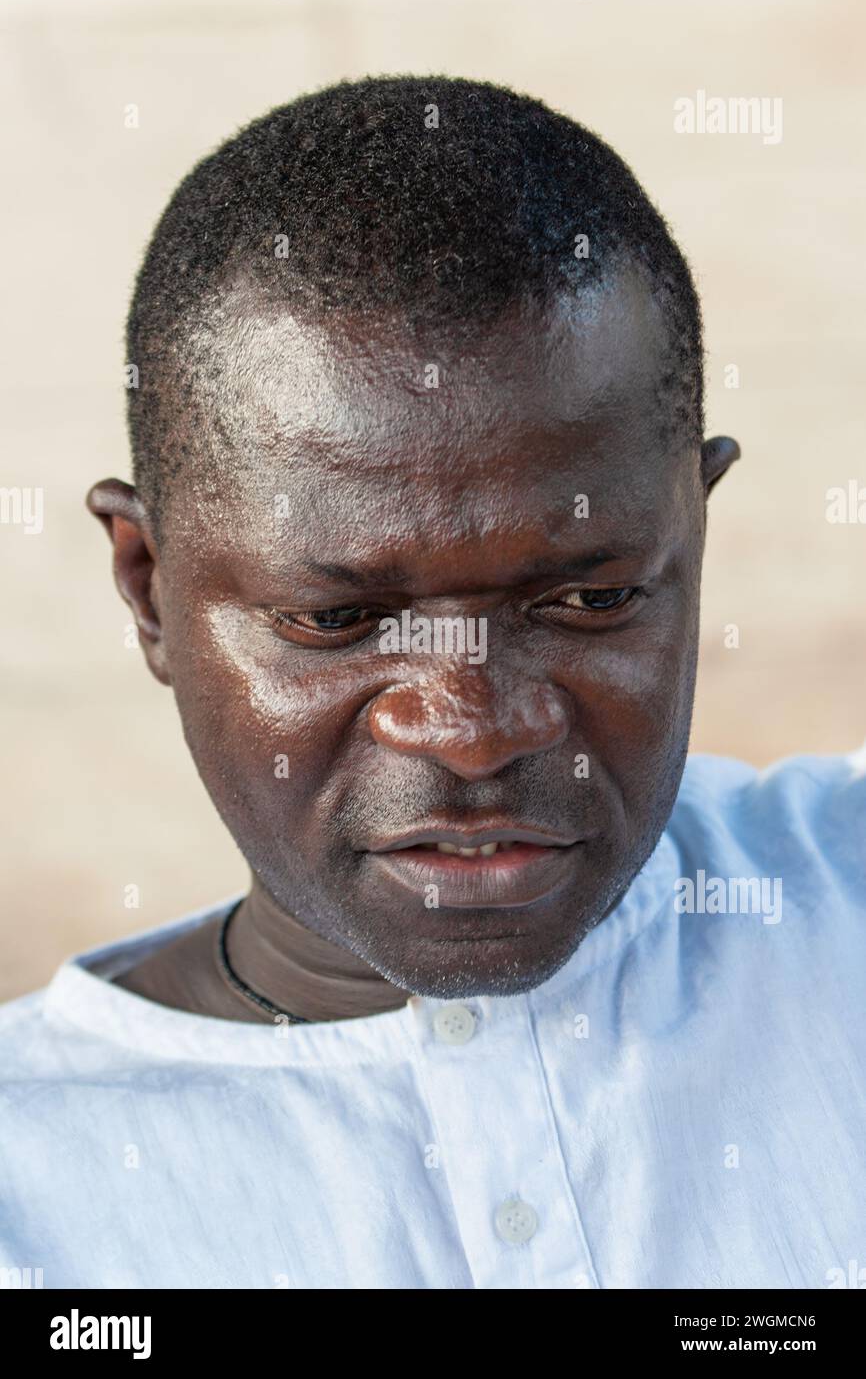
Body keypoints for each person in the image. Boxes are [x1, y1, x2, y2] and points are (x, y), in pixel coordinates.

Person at [1, 74, 863, 1291]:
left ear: (693, 538)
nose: (468, 732)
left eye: (587, 599)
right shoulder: (32, 1204)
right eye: (334, 619)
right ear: (148, 590)